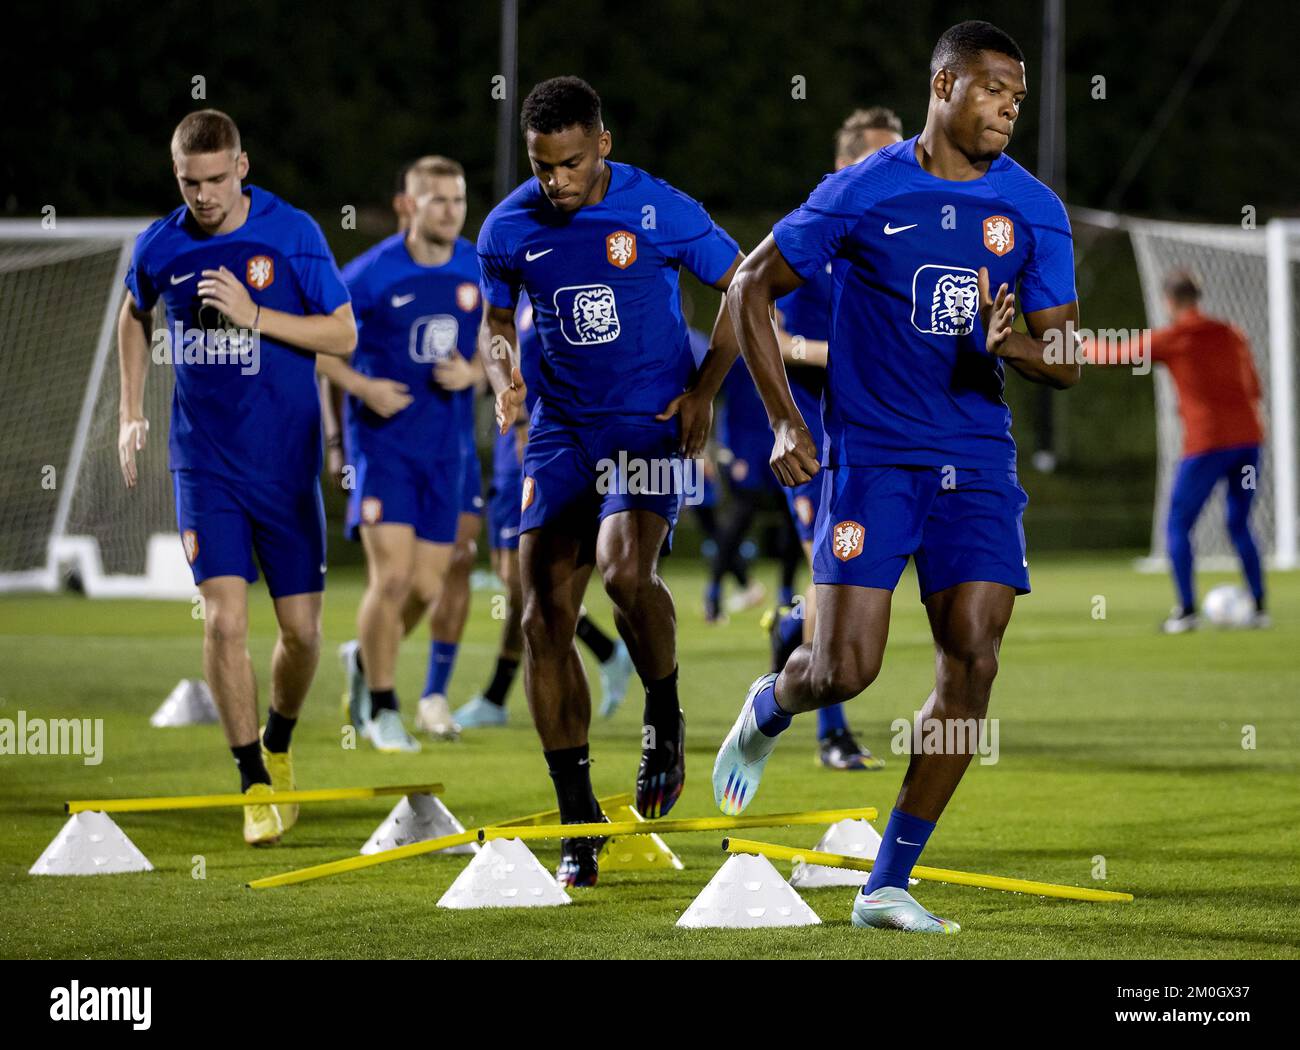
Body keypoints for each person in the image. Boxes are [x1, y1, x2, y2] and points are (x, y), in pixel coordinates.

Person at [713, 21, 1080, 934]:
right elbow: (744, 289)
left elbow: (1069, 354)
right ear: (945, 83)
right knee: (844, 670)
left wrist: (1019, 346)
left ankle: (886, 883)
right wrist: (786, 421)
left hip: (977, 458)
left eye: (1018, 97)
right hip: (872, 457)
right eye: (994, 89)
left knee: (976, 657)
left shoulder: (1033, 209)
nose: (1007, 108)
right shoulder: (865, 191)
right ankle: (771, 702)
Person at [478, 76, 743, 885]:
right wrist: (503, 377)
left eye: (567, 164)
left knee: (628, 573)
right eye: (539, 166)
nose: (554, 182)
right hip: (560, 432)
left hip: (652, 419)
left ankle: (664, 709)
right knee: (541, 618)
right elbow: (494, 322)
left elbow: (744, 286)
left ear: (603, 145)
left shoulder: (660, 209)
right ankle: (577, 818)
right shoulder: (507, 227)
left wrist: (706, 389)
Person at [117, 109, 355, 844]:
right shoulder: (161, 243)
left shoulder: (294, 234)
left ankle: (279, 745)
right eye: (190, 182)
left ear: (242, 167)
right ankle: (252, 777)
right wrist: (130, 411)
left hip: (285, 468)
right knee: (222, 619)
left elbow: (343, 332)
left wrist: (256, 315)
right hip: (204, 463)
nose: (203, 195)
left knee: (303, 634)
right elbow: (133, 314)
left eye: (216, 179)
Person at [317, 155, 483, 751]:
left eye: (459, 200)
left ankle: (365, 660)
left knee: (427, 588)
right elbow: (320, 349)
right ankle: (383, 709)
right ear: (407, 206)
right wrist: (361, 391)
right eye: (437, 200)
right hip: (382, 448)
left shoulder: (474, 267)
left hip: (447, 451)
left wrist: (478, 373)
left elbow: (497, 340)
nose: (451, 212)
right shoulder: (368, 275)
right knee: (390, 580)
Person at [766, 105, 905, 772]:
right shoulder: (815, 238)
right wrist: (846, 355)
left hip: (889, 446)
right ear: (846, 167)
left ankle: (785, 636)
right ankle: (832, 734)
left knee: (852, 590)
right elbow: (781, 338)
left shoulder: (906, 240)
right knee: (836, 588)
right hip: (823, 446)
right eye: (882, 156)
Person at [454, 294, 636, 728]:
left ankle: (500, 694)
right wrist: (475, 376)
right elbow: (496, 356)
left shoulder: (566, 287)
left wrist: (522, 425)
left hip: (544, 446)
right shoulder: (509, 295)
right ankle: (607, 651)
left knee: (527, 579)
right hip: (508, 447)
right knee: (511, 577)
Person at [1085, 269, 1268, 631]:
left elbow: (1117, 355)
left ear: (1168, 300)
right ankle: (1259, 608)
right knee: (1239, 522)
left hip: (1208, 443)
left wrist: (1078, 343)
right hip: (1249, 440)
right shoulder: (1233, 333)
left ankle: (1187, 611)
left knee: (1178, 523)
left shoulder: (1175, 338)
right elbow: (1254, 388)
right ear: (1197, 297)